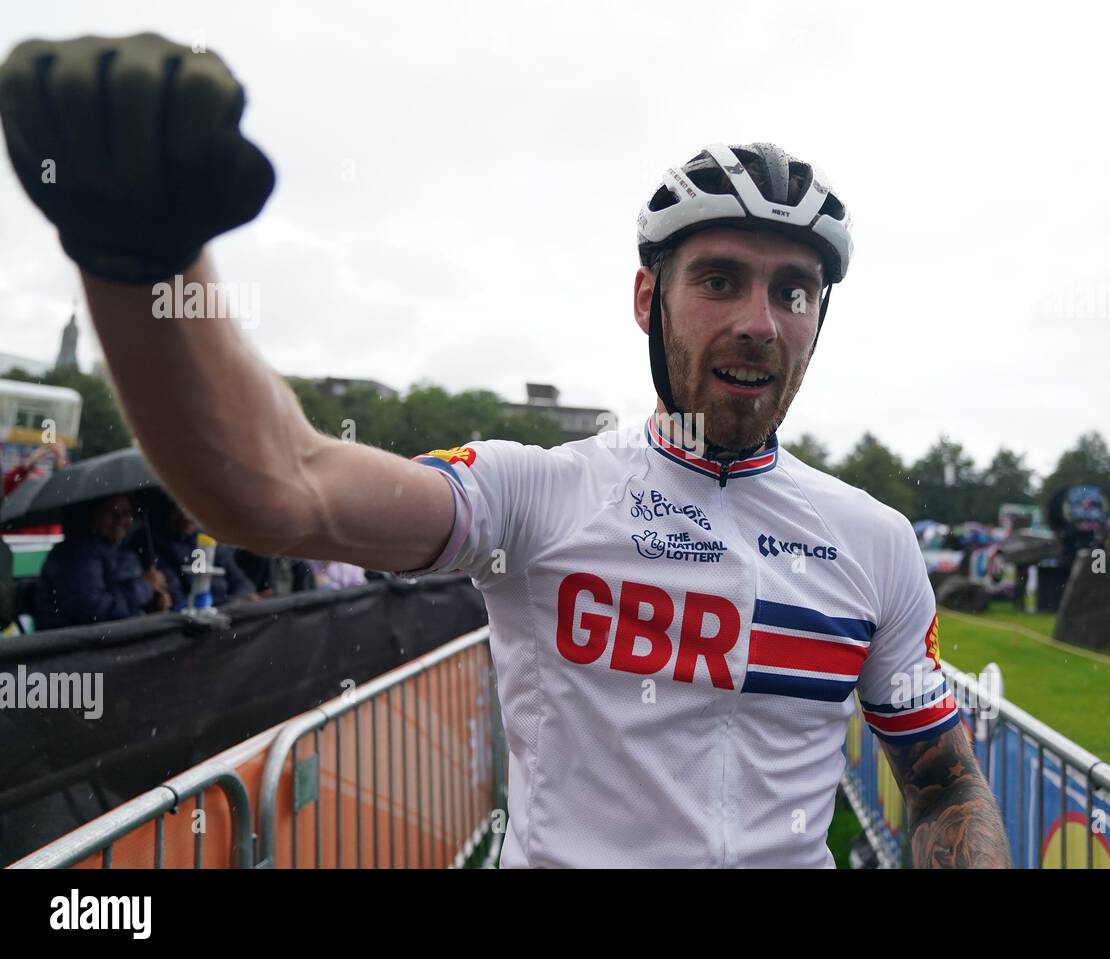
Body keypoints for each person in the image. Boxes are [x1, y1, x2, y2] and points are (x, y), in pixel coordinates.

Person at [0, 34, 1010, 868]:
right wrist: (139, 265)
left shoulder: (874, 542)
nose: (760, 320)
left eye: (793, 290)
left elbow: (941, 778)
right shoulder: (541, 494)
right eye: (720, 279)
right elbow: (280, 485)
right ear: (646, 299)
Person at [31, 494, 171, 629]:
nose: (120, 519)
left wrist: (153, 605)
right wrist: (145, 587)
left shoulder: (120, 551)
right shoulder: (74, 555)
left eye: (126, 512)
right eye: (111, 513)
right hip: (75, 646)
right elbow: (94, 611)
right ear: (92, 515)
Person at [126, 497, 257, 609]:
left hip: (229, 609)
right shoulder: (154, 546)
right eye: (177, 509)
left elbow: (241, 581)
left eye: (190, 508)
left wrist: (238, 600)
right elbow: (177, 600)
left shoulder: (208, 537)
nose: (185, 516)